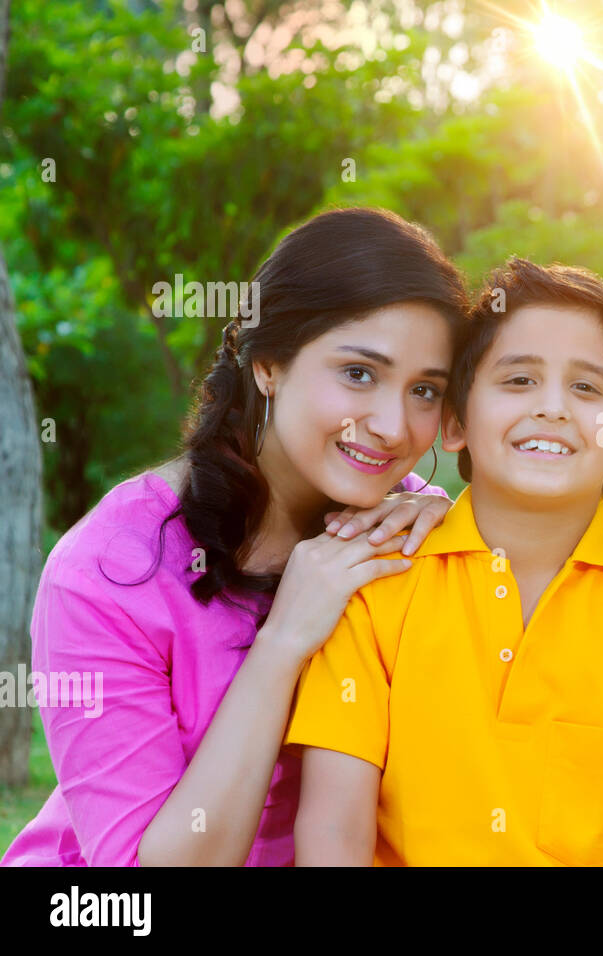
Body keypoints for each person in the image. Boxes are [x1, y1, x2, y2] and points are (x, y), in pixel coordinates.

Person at [2, 207, 467, 866]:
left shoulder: (406, 525)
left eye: (425, 390)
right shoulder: (107, 572)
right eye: (359, 373)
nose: (395, 426)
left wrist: (462, 532)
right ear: (269, 364)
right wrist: (282, 644)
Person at [287, 257, 603, 866]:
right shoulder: (377, 579)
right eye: (518, 380)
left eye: (586, 388)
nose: (553, 408)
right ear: (455, 421)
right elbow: (332, 837)